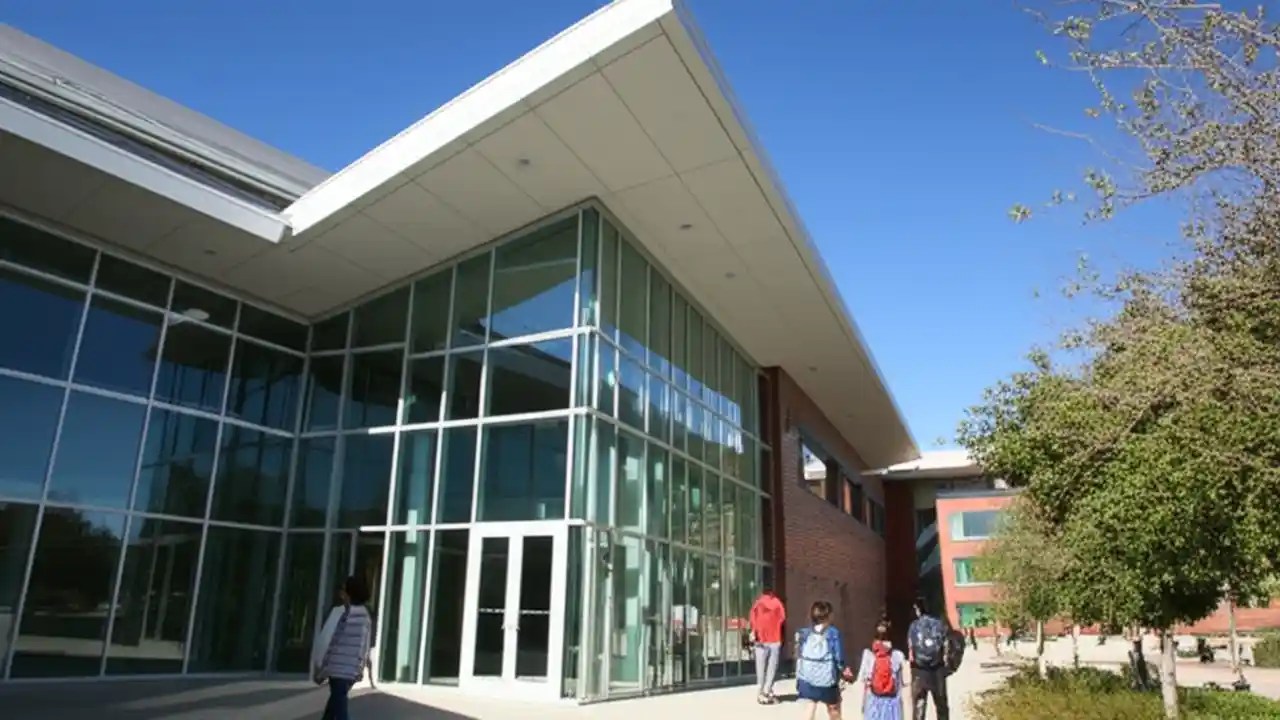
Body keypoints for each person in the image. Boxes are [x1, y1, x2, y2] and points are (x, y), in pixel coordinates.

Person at [312, 575, 374, 720]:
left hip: (336, 668)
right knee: (335, 703)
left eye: (343, 590)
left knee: (339, 708)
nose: (341, 593)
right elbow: (364, 645)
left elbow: (327, 640)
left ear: (349, 593)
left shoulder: (340, 612)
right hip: (351, 669)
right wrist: (360, 667)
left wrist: (319, 666)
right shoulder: (365, 616)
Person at [796, 600, 847, 720]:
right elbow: (839, 657)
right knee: (834, 707)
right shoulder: (833, 633)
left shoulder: (805, 633)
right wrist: (842, 671)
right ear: (828, 616)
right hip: (827, 679)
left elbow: (800, 654)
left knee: (810, 705)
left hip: (808, 677)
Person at [907, 597, 950, 720]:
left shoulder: (913, 626)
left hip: (919, 671)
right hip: (937, 669)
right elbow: (946, 648)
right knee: (941, 704)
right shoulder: (940, 625)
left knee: (919, 704)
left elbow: (910, 651)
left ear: (918, 610)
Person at [857, 621, 906, 720]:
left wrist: (863, 703)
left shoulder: (868, 654)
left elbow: (865, 680)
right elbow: (901, 683)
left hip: (873, 700)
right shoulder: (898, 655)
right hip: (892, 701)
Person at [750, 586, 786, 704]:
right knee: (772, 666)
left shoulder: (758, 603)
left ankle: (760, 691)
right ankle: (768, 689)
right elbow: (782, 618)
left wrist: (755, 630)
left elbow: (752, 619)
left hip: (760, 638)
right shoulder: (777, 603)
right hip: (774, 638)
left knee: (760, 666)